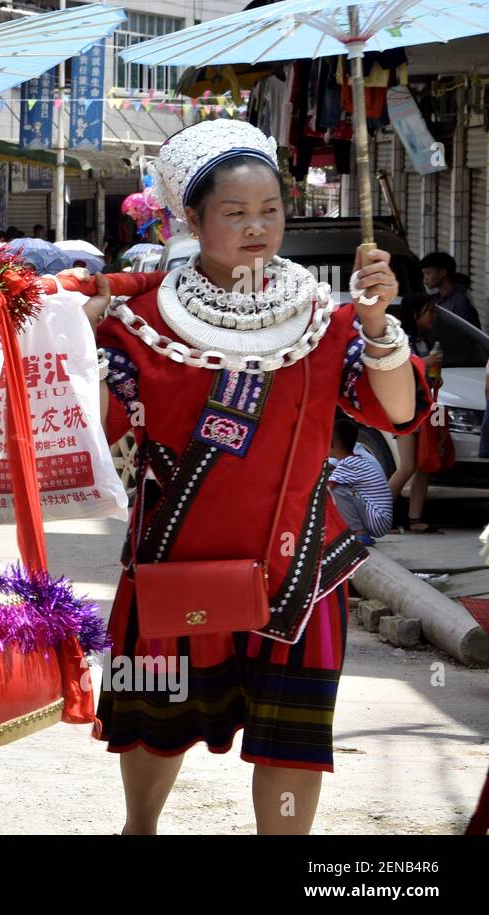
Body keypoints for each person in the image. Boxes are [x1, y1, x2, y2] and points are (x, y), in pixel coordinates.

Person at [85, 120, 430, 834]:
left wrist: (377, 325)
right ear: (193, 218)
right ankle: (138, 828)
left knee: (293, 742)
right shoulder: (138, 321)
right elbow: (97, 427)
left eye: (270, 210)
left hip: (301, 570)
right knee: (151, 720)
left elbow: (398, 414)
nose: (256, 228)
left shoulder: (324, 319)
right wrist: (76, 334)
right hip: (174, 560)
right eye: (235, 212)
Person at [387, 293, 444, 533]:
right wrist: (426, 362)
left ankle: (414, 519)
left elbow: (425, 377)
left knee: (423, 465)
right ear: (414, 313)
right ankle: (378, 515)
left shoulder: (423, 341)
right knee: (408, 465)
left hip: (423, 408)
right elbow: (399, 369)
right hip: (405, 409)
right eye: (430, 311)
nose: (434, 316)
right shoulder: (401, 340)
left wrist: (435, 378)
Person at [327, 417, 392, 545]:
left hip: (377, 519)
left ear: (332, 443)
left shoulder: (348, 464)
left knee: (337, 491)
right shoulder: (356, 460)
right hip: (377, 518)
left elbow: (327, 488)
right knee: (340, 489)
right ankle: (355, 531)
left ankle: (359, 533)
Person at [419, 251, 483, 368]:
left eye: (428, 273)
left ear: (443, 273)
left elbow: (459, 339)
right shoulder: (434, 300)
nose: (425, 279)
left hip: (455, 365)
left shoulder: (460, 302)